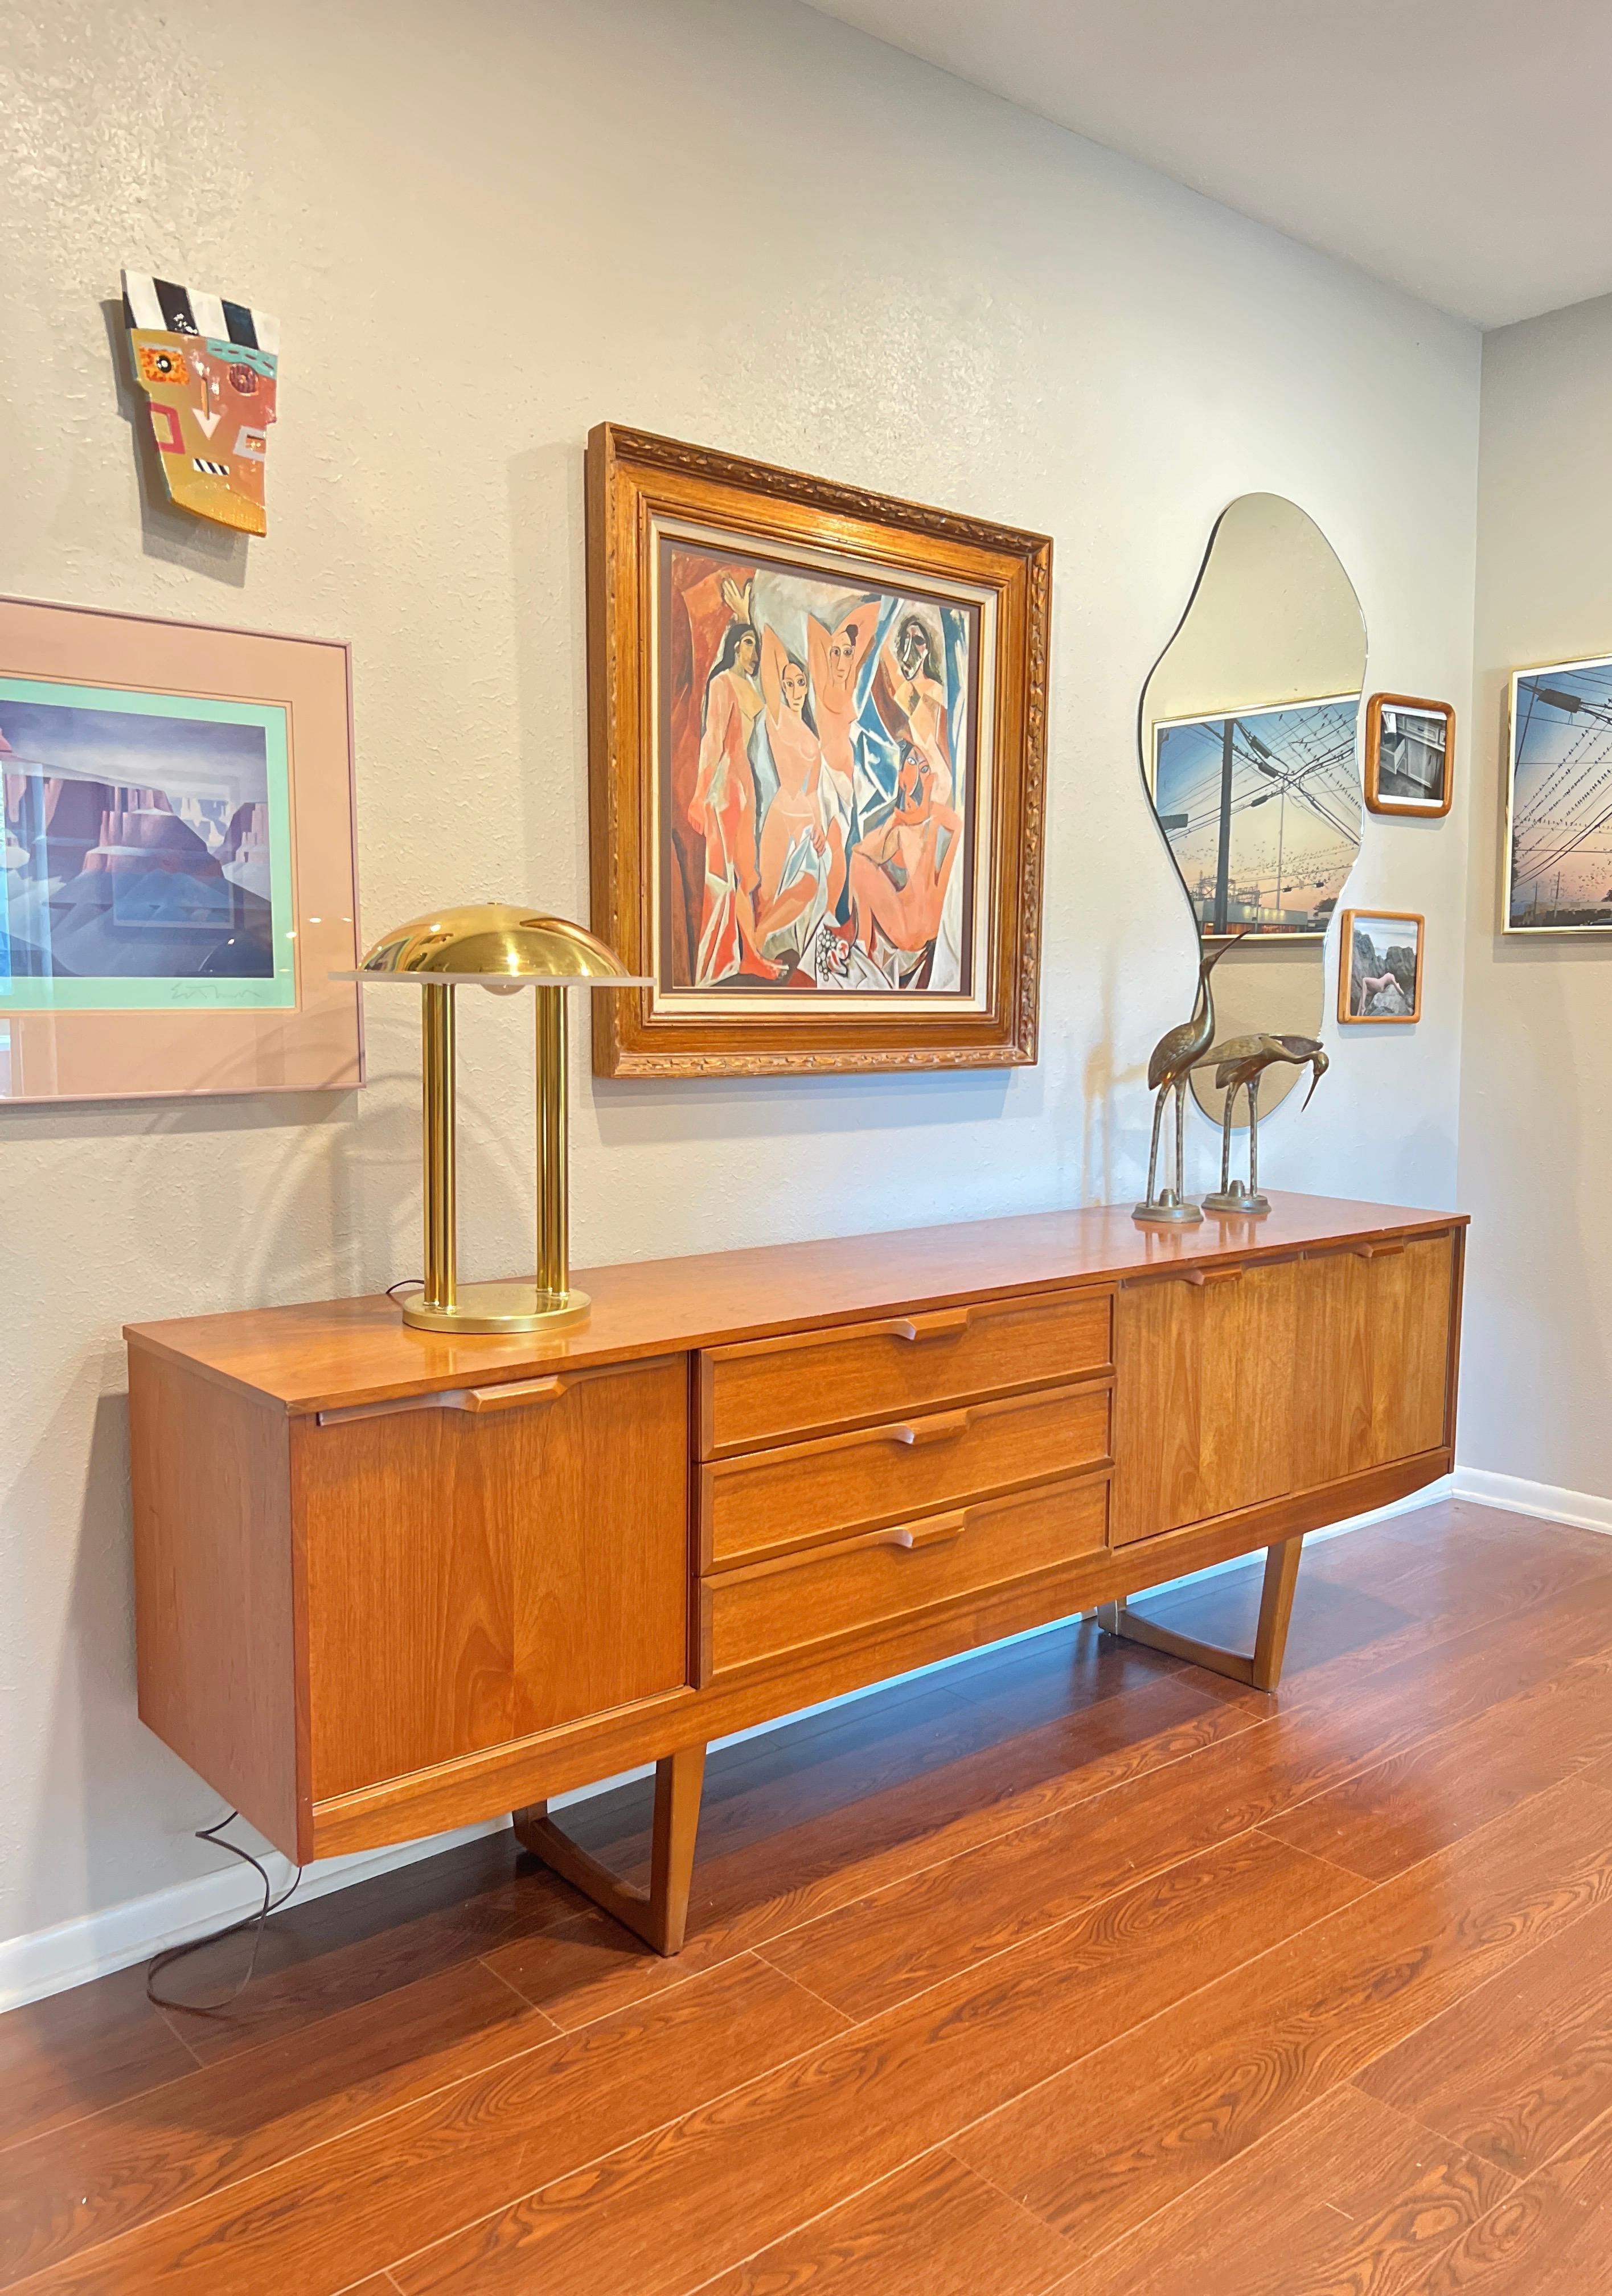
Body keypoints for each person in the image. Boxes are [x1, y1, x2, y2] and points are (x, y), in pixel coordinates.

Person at [687, 594, 778, 983]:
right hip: (724, 791)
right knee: (723, 876)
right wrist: (699, 794)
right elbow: (712, 741)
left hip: (746, 791)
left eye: (755, 645)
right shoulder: (723, 682)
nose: (754, 651)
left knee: (744, 874)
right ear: (733, 646)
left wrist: (746, 618)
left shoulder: (747, 685)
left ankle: (749, 956)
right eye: (747, 643)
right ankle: (719, 960)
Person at [754, 625, 840, 967]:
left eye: (800, 682)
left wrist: (819, 825)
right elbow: (772, 642)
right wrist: (754, 616)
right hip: (779, 820)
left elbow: (814, 788)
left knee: (807, 887)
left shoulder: (811, 733)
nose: (794, 690)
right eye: (788, 683)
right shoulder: (776, 719)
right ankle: (760, 948)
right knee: (767, 895)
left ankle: (765, 940)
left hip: (805, 824)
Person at [847, 740, 963, 982]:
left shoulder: (914, 822)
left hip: (912, 930)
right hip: (927, 929)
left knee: (859, 862)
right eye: (911, 761)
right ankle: (863, 949)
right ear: (901, 775)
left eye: (923, 767)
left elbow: (863, 853)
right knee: (863, 858)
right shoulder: (944, 820)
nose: (918, 775)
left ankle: (862, 950)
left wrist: (896, 821)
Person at [876, 612, 954, 803]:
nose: (910, 647)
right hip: (903, 779)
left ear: (927, 649)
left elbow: (935, 740)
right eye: (905, 639)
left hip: (933, 783)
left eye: (918, 640)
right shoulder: (894, 688)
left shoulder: (935, 691)